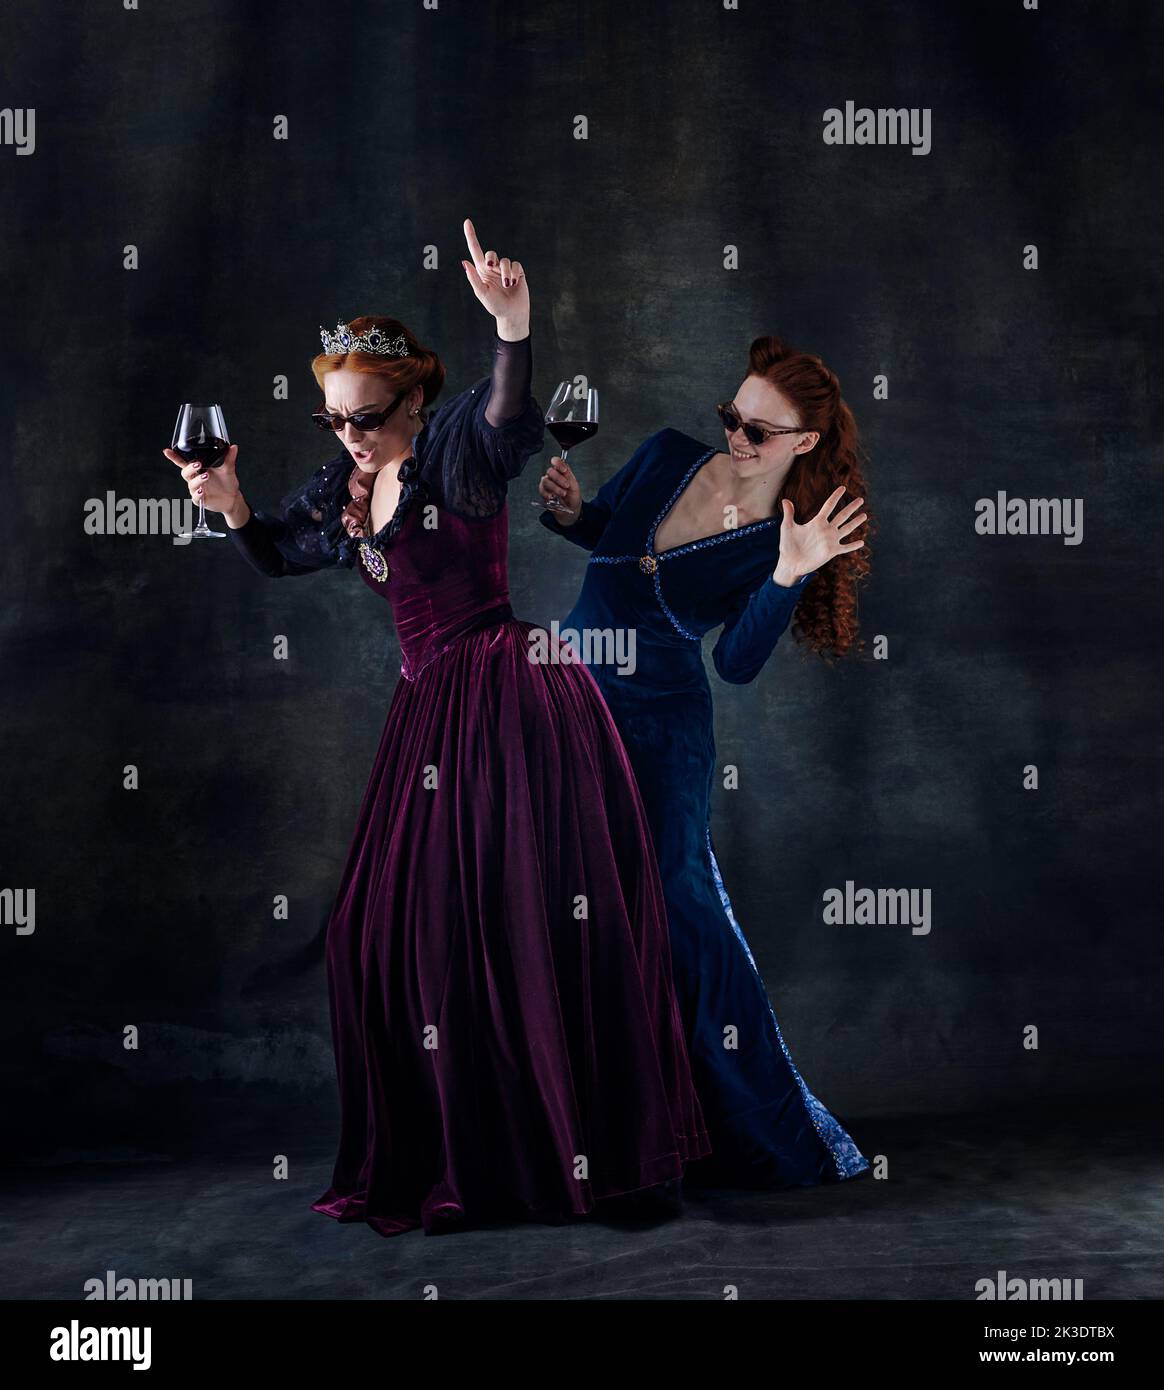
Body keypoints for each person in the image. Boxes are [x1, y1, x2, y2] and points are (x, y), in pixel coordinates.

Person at [164, 219, 709, 1237]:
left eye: (366, 417)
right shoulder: (346, 485)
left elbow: (510, 420)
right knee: (380, 936)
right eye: (333, 421)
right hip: (427, 711)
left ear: (413, 399)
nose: (350, 437)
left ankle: (586, 1159)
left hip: (508, 697)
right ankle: (466, 1156)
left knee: (529, 926)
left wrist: (514, 328)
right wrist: (227, 503)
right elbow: (280, 554)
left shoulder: (457, 447)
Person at [536, 334, 873, 1189]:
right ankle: (591, 1121)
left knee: (681, 913)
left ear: (802, 443)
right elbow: (613, 546)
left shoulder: (778, 537)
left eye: (761, 432)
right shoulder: (665, 454)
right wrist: (576, 513)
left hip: (660, 732)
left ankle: (753, 1126)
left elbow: (735, 665)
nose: (738, 438)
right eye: (733, 416)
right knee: (563, 901)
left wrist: (791, 573)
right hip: (569, 702)